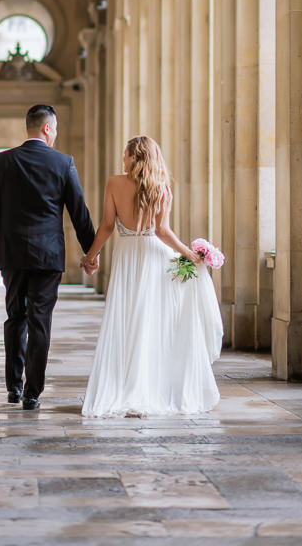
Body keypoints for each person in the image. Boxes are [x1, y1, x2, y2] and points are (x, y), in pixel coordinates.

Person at [81, 135, 223, 417]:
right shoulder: (161, 188)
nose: (123, 159)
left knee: (126, 319)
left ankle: (123, 387)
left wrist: (91, 256)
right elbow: (162, 231)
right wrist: (188, 253)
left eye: (126, 155)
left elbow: (108, 225)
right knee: (151, 323)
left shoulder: (113, 183)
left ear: (136, 157)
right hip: (152, 257)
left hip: (127, 257)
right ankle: (152, 386)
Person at [0, 104, 96, 411]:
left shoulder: (2, 162)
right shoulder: (63, 163)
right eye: (54, 129)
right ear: (47, 128)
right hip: (48, 256)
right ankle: (32, 393)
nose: (55, 134)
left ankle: (13, 388)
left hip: (12, 255)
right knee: (40, 321)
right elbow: (79, 212)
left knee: (15, 317)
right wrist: (91, 250)